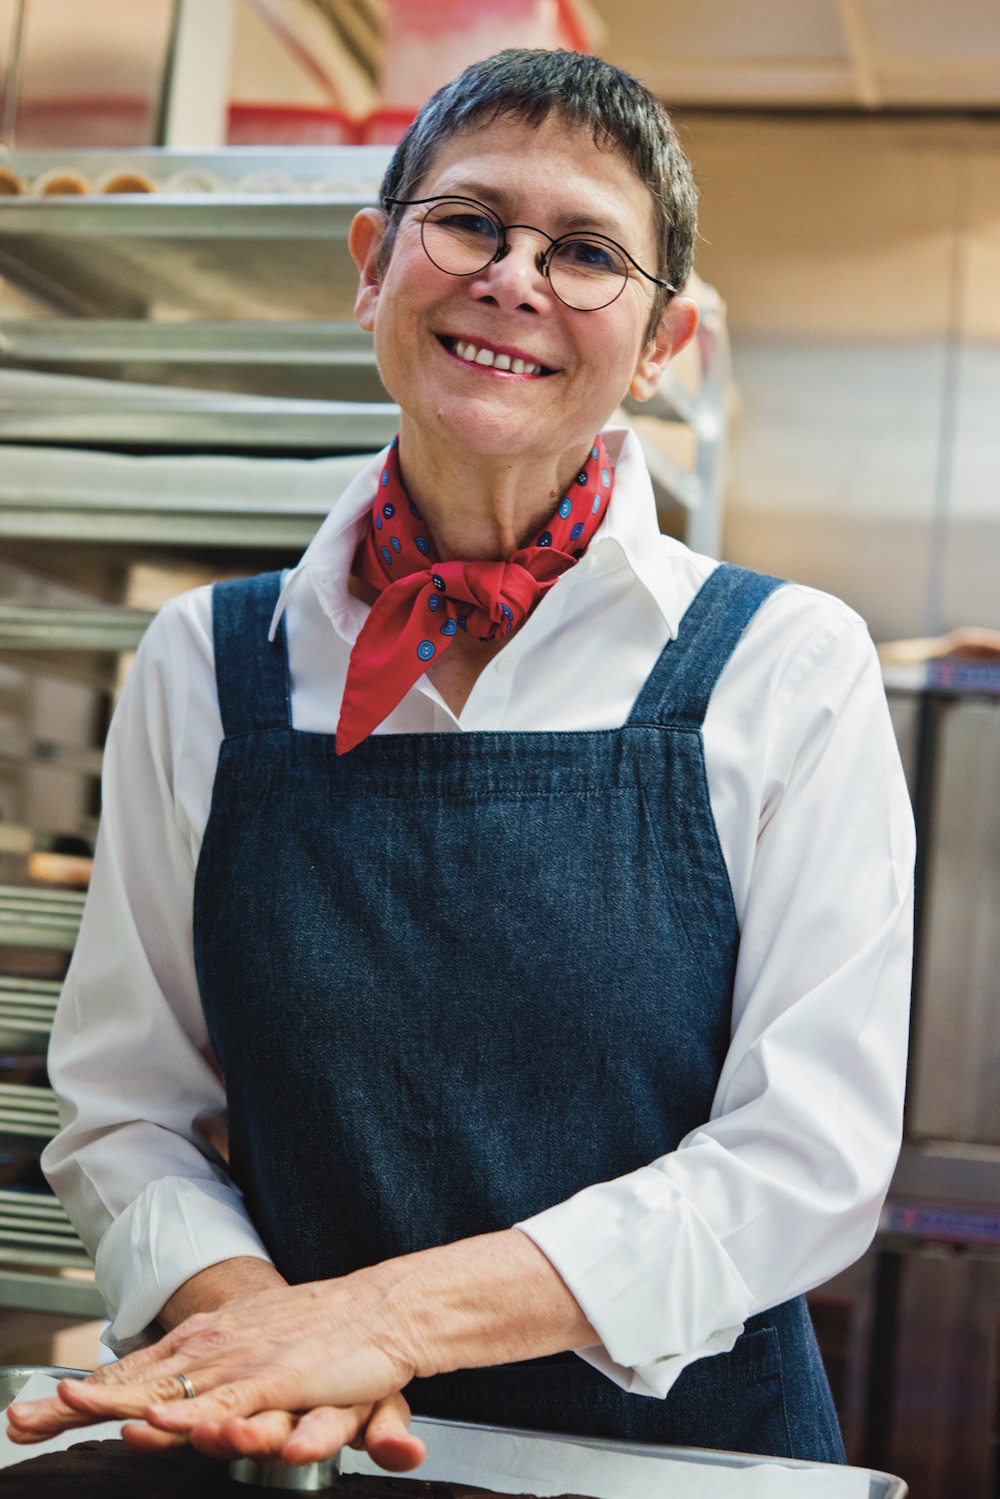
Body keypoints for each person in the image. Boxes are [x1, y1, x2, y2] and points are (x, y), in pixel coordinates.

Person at [8, 47, 913, 1474]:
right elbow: (126, 1105)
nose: (514, 279)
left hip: (673, 1464)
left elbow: (803, 1163)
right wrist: (262, 1337)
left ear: (661, 345)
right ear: (374, 266)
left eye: (588, 254)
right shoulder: (204, 660)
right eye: (471, 222)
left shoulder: (785, 667)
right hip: (286, 1447)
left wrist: (376, 1323)